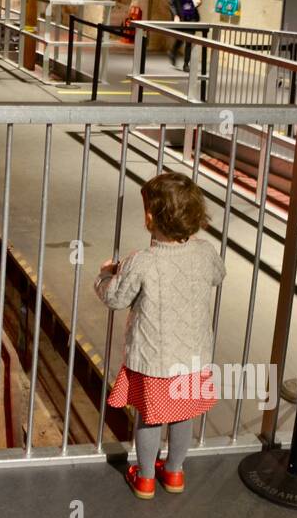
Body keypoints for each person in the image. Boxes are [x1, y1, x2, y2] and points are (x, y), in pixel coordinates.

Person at [95, 172, 226, 500]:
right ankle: (175, 472)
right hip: (193, 359)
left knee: (150, 417)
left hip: (155, 360)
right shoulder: (205, 252)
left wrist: (104, 275)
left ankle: (146, 477)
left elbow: (115, 298)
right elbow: (217, 274)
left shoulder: (142, 262)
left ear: (150, 217)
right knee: (183, 416)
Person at [168, 0, 202, 69]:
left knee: (189, 40)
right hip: (181, 17)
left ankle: (186, 63)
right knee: (180, 39)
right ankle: (172, 52)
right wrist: (175, 15)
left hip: (192, 17)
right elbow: (171, 3)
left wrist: (198, 2)